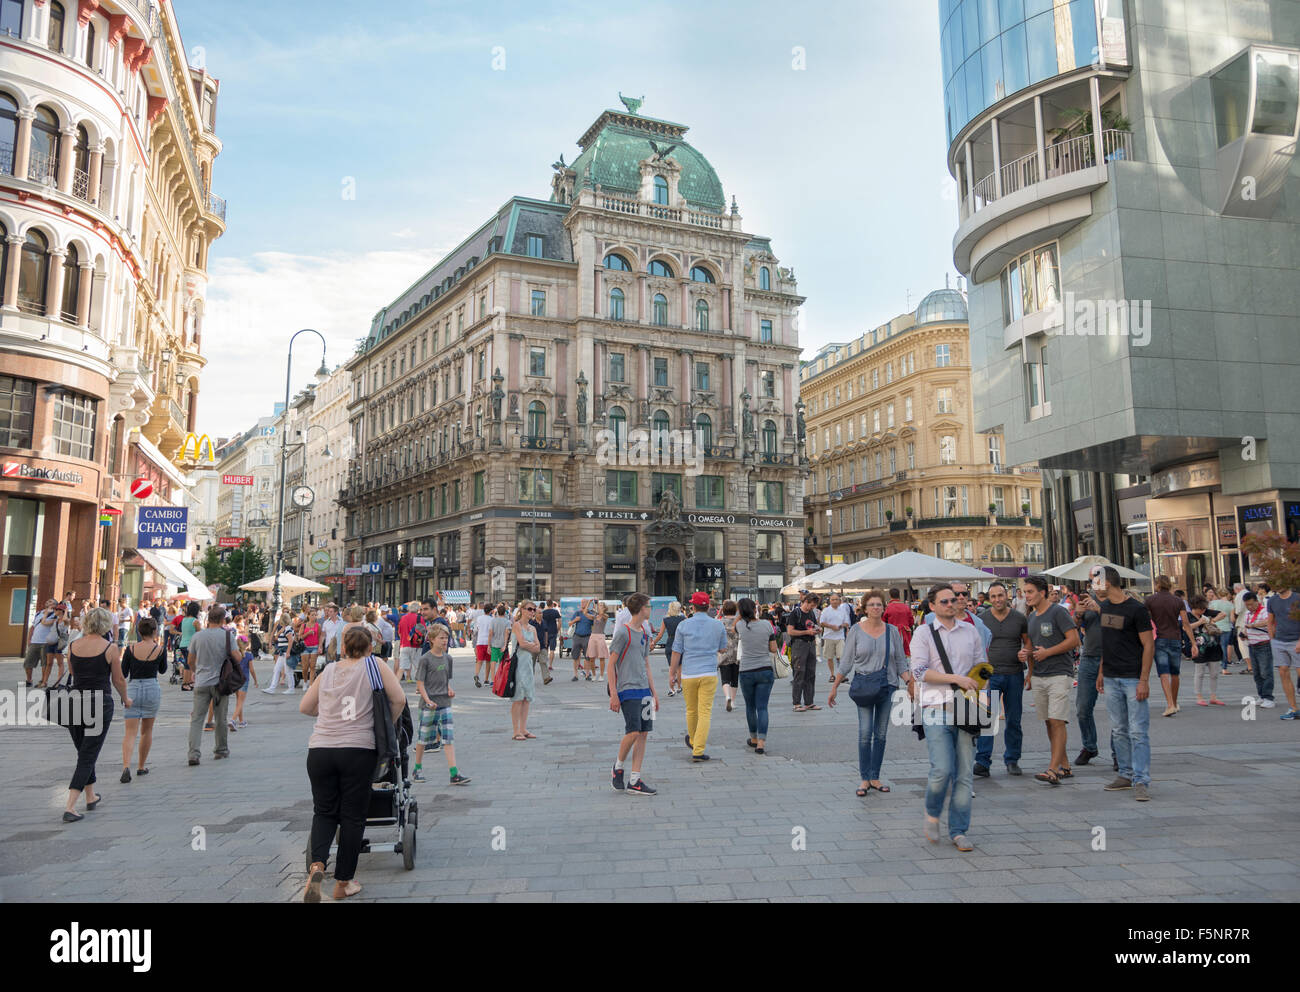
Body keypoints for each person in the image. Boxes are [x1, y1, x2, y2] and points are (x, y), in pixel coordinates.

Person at [301, 625, 406, 902]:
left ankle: (317, 865)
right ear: (371, 647)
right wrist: (384, 727)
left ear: (343, 648)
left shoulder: (329, 671)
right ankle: (343, 882)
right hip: (357, 750)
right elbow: (399, 700)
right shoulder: (375, 666)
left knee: (323, 812)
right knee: (352, 816)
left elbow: (305, 707)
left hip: (320, 749)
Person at [912, 584, 984, 852]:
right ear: (932, 606)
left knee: (965, 773)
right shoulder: (923, 633)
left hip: (966, 708)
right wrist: (954, 678)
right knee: (942, 769)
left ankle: (959, 830)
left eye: (954, 600)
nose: (951, 604)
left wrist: (980, 683)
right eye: (944, 601)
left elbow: (980, 666)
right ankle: (932, 812)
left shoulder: (970, 631)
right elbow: (919, 670)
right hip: (935, 707)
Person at [828, 590, 911, 796]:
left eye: (879, 604)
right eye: (872, 604)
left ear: (883, 608)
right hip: (864, 685)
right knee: (865, 734)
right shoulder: (856, 630)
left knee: (881, 734)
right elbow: (846, 661)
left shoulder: (892, 631)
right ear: (864, 608)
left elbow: (900, 661)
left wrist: (909, 682)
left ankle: (875, 776)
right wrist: (835, 687)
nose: (876, 607)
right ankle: (864, 778)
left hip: (887, 685)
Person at [1090, 568, 1155, 800]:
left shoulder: (1137, 609)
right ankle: (1125, 775)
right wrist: (1101, 671)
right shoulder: (1105, 607)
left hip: (1132, 677)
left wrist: (1144, 680)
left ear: (1107, 583)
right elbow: (1110, 641)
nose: (1094, 587)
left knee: (1138, 731)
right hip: (1110, 676)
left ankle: (1141, 779)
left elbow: (1148, 645)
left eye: (1096, 583)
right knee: (1119, 730)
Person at [60, 608, 130, 822]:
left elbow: (72, 672)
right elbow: (118, 679)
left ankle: (91, 796)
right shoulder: (110, 648)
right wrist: (126, 699)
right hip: (99, 704)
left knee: (84, 751)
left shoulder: (72, 646)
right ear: (106, 625)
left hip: (74, 703)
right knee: (88, 755)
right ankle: (70, 806)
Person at [1020, 575, 1080, 786]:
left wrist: (1049, 652)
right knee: (1049, 721)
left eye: (1030, 592)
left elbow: (1074, 640)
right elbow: (1033, 647)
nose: (1026, 596)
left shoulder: (1058, 612)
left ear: (1042, 592)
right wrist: (1026, 658)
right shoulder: (1032, 617)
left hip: (1059, 672)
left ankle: (1053, 769)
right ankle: (1064, 764)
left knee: (1057, 720)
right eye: (1025, 592)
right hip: (1039, 675)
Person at [975, 582, 1031, 777]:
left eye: (1000, 595)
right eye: (994, 597)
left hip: (1014, 674)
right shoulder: (981, 620)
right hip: (989, 675)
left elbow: (1027, 641)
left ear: (1007, 596)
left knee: (1014, 719)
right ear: (989, 599)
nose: (997, 600)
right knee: (986, 719)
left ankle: (1012, 759)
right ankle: (982, 761)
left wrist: (1026, 654)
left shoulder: (1019, 618)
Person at [609, 592, 659, 796]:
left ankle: (635, 779)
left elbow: (646, 664)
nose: (650, 609)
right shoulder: (623, 633)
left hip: (644, 690)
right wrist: (614, 694)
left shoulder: (645, 634)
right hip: (628, 689)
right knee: (633, 731)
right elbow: (611, 664)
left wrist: (654, 693)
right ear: (640, 608)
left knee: (644, 733)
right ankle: (618, 766)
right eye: (649, 606)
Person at [670, 592, 729, 761]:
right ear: (708, 606)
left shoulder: (683, 625)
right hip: (709, 673)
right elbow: (723, 648)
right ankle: (698, 749)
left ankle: (693, 739)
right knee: (705, 712)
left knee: (691, 710)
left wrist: (672, 673)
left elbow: (676, 651)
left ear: (693, 607)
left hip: (688, 673)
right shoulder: (717, 625)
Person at [413, 626, 470, 785]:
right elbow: (420, 684)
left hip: (445, 703)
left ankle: (454, 773)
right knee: (423, 739)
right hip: (428, 705)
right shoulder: (425, 659)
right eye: (441, 638)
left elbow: (446, 681)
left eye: (446, 637)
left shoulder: (448, 659)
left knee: (448, 739)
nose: (444, 641)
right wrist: (428, 700)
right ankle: (417, 768)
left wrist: (449, 690)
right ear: (431, 639)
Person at [186, 606, 241, 767]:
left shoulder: (198, 636)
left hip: (202, 682)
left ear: (208, 619)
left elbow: (190, 660)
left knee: (197, 719)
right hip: (220, 683)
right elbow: (237, 657)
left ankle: (193, 753)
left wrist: (197, 671)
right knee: (220, 718)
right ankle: (221, 750)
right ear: (223, 620)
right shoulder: (227, 636)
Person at [119, 617, 167, 783]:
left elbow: (123, 673)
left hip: (132, 689)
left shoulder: (130, 649)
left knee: (130, 732)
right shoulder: (160, 650)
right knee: (147, 730)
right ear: (154, 631)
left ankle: (126, 766)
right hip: (151, 688)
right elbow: (162, 670)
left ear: (139, 632)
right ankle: (141, 766)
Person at [1145, 575, 1198, 716]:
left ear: (1157, 585)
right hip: (1175, 638)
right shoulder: (1178, 601)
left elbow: (1146, 620)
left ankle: (1169, 705)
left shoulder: (1150, 600)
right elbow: (1186, 624)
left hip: (1159, 638)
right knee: (1175, 673)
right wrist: (1193, 643)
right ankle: (1174, 703)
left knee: (1163, 673)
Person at [1071, 591, 1110, 770]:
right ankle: (1089, 746)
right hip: (1088, 658)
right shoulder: (1088, 601)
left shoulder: (1116, 601)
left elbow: (1118, 623)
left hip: (1112, 657)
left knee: (1116, 709)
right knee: (1082, 708)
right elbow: (1076, 626)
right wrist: (1078, 613)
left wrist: (1099, 609)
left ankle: (1119, 752)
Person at [734, 598, 777, 754]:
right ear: (755, 609)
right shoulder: (767, 625)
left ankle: (752, 738)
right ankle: (761, 743)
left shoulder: (740, 626)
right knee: (762, 707)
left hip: (746, 671)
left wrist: (740, 613)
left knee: (750, 707)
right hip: (765, 669)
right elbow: (773, 649)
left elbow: (734, 626)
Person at [1267, 585, 1300, 720]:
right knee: (1283, 671)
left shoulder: (1297, 598)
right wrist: (1272, 640)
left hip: (1296, 640)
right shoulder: (1272, 601)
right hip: (1279, 641)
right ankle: (1293, 709)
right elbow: (1270, 621)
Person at [510, 601, 542, 740]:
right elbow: (521, 644)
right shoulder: (517, 625)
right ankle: (516, 730)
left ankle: (523, 728)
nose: (532, 612)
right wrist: (531, 645)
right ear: (522, 610)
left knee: (527, 698)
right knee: (518, 697)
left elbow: (538, 648)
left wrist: (528, 645)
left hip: (528, 664)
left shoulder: (532, 628)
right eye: (529, 609)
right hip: (517, 664)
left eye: (534, 609)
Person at [786, 593, 822, 712]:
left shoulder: (811, 612)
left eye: (814, 606)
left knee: (811, 674)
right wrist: (807, 633)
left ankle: (809, 702)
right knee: (799, 673)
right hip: (799, 645)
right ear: (805, 601)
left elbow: (811, 625)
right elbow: (790, 631)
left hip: (811, 644)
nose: (812, 608)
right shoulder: (795, 613)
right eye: (811, 605)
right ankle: (796, 703)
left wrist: (817, 628)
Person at [1241, 591, 1275, 707]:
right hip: (1252, 645)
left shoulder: (1264, 610)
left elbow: (1268, 622)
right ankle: (1261, 695)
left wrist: (1254, 625)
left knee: (1266, 672)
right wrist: (1244, 633)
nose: (1250, 607)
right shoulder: (1247, 614)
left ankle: (1269, 697)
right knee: (1257, 673)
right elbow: (1246, 627)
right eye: (1247, 605)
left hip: (1264, 644)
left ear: (1256, 601)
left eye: (1251, 604)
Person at [24, 599, 60, 688]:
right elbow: (32, 627)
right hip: (34, 641)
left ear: (55, 604)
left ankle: (43, 681)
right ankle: (29, 680)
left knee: (45, 663)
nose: (48, 602)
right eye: (48, 601)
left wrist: (48, 613)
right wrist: (29, 640)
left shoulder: (56, 614)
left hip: (46, 642)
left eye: (51, 601)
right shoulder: (38, 613)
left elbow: (46, 624)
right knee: (28, 662)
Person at [819, 592, 852, 682]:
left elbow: (847, 622)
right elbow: (821, 622)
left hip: (840, 637)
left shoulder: (843, 610)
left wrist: (841, 626)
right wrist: (831, 626)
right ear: (830, 601)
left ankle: (841, 675)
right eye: (832, 600)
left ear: (839, 600)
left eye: (836, 599)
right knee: (830, 657)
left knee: (841, 656)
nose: (834, 601)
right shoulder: (826, 610)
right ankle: (832, 674)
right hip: (829, 636)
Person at [265, 610, 297, 693]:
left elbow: (290, 641)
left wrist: (288, 652)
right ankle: (272, 688)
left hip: (285, 652)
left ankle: (291, 688)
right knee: (277, 669)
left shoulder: (288, 629)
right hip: (282, 652)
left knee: (287, 671)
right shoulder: (285, 628)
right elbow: (276, 637)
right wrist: (280, 632)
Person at [717, 600, 741, 712]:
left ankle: (727, 697)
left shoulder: (719, 623)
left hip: (724, 653)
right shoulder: (739, 622)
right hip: (737, 653)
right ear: (735, 610)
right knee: (735, 679)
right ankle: (734, 700)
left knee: (725, 679)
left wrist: (719, 613)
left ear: (724, 610)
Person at [659, 602, 686, 695]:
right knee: (679, 668)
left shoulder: (665, 619)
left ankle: (671, 689)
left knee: (671, 669)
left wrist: (653, 643)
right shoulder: (683, 618)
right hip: (680, 643)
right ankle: (679, 687)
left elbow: (660, 634)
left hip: (670, 643)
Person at [230, 634, 257, 728]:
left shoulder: (235, 654)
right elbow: (252, 670)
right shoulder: (249, 655)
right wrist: (256, 680)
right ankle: (233, 720)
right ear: (246, 644)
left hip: (235, 679)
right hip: (244, 680)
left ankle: (241, 721)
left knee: (238, 701)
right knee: (240, 702)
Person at [1207, 588, 1236, 675]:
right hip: (1226, 628)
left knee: (1213, 647)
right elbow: (1232, 619)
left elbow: (1209, 615)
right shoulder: (1230, 605)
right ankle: (1224, 668)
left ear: (1219, 595)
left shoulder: (1213, 603)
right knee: (1224, 647)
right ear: (1227, 594)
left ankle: (1212, 667)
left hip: (1215, 628)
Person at [570, 599, 597, 681]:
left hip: (587, 636)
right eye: (581, 602)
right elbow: (569, 623)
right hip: (577, 636)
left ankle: (587, 674)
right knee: (575, 656)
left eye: (584, 602)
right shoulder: (577, 613)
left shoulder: (591, 614)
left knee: (587, 657)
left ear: (588, 604)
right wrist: (575, 620)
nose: (582, 604)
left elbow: (594, 626)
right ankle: (575, 675)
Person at [883, 588, 915, 656]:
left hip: (892, 633)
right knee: (906, 654)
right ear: (899, 595)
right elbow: (911, 622)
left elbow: (883, 622)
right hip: (905, 633)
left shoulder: (888, 608)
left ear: (890, 595)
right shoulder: (906, 607)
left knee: (893, 654)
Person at [178, 601, 201, 691]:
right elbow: (199, 633)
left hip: (183, 643)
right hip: (191, 645)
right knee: (189, 665)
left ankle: (190, 682)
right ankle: (185, 683)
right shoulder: (195, 621)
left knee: (187, 664)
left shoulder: (184, 619)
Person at [489, 604, 511, 684]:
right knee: (504, 663)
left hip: (494, 644)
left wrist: (489, 645)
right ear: (505, 612)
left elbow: (490, 633)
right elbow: (507, 633)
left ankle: (493, 680)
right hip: (503, 645)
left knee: (493, 662)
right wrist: (505, 645)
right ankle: (502, 679)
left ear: (497, 612)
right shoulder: (507, 622)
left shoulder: (493, 621)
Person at [471, 605, 493, 687]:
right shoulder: (492, 619)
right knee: (488, 661)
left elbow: (476, 629)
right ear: (490, 611)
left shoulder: (479, 618)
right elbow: (492, 632)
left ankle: (476, 674)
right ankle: (486, 679)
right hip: (488, 642)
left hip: (480, 641)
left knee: (479, 660)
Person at [540, 601, 561, 672]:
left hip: (545, 631)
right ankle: (550, 665)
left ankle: (545, 664)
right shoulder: (555, 612)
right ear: (552, 604)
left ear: (547, 604)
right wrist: (557, 629)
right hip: (553, 631)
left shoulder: (543, 612)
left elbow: (540, 622)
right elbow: (560, 621)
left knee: (545, 649)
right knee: (552, 649)